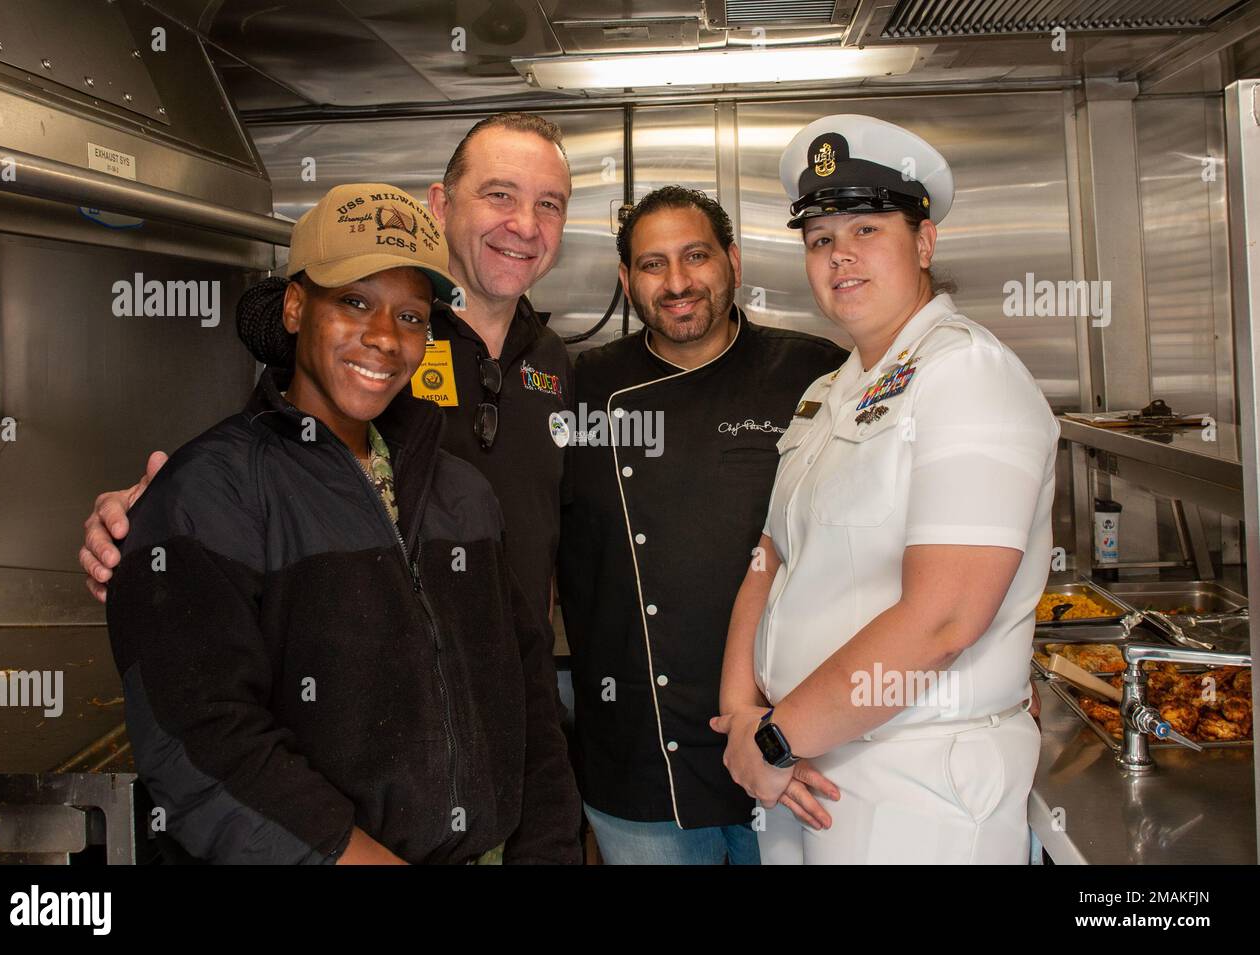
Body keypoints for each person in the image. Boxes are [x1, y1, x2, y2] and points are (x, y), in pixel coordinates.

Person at [106, 183, 581, 864]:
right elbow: (201, 740)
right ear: (296, 307)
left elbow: (529, 703)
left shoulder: (463, 495)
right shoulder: (210, 493)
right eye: (354, 302)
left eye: (411, 316)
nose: (384, 338)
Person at [81, 112, 573, 641]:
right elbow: (257, 458)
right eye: (500, 195)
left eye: (548, 204)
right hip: (378, 676)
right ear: (441, 206)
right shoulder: (366, 353)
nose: (525, 224)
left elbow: (549, 526)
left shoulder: (552, 358)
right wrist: (157, 513)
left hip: (513, 677)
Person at [714, 115, 1059, 865]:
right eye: (819, 240)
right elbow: (769, 556)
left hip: (917, 784)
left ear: (924, 242)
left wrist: (774, 738)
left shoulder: (967, 376)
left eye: (866, 229)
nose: (840, 256)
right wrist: (744, 713)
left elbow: (944, 617)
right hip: (806, 767)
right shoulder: (829, 391)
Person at [558, 186, 849, 865]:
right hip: (636, 755)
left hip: (793, 743)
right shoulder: (584, 388)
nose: (679, 282)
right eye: (653, 264)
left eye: (697, 256)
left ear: (734, 262)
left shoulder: (816, 373)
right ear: (626, 281)